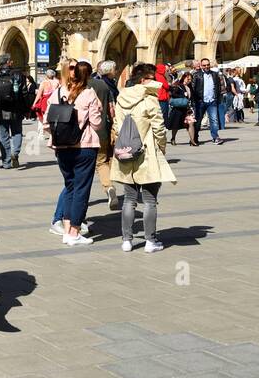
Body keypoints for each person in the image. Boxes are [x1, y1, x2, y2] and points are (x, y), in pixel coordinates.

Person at [110, 62, 177, 252]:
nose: (155, 81)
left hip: (125, 152)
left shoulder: (122, 96)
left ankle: (126, 240)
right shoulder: (149, 98)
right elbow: (159, 128)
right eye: (152, 78)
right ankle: (150, 241)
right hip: (146, 154)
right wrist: (162, 148)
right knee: (149, 200)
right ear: (143, 80)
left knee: (130, 199)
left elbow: (116, 124)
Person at [43, 61, 101, 246]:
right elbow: (97, 123)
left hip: (61, 148)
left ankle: (67, 229)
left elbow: (46, 123)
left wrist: (60, 133)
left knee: (70, 186)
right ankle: (74, 232)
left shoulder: (57, 93)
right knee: (81, 189)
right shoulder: (89, 93)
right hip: (84, 146)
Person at [0, 54, 33, 168]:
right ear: (8, 62)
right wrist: (27, 109)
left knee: (3, 135)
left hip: (1, 109)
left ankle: (6, 161)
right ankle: (15, 153)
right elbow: (24, 93)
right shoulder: (18, 75)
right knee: (17, 132)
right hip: (16, 109)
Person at [88, 59, 118, 209]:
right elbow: (112, 110)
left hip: (82, 135)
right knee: (102, 162)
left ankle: (80, 196)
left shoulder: (77, 87)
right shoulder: (104, 86)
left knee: (83, 167)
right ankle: (109, 187)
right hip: (102, 131)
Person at [191, 57, 224, 143]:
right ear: (201, 66)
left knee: (214, 120)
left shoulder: (214, 74)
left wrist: (217, 98)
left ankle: (215, 137)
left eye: (208, 65)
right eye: (204, 65)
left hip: (212, 101)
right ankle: (195, 137)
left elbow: (218, 87)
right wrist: (194, 101)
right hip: (200, 101)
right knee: (198, 121)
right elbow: (193, 89)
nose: (206, 67)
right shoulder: (196, 75)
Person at [168, 71, 197, 146]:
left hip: (188, 109)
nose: (189, 81)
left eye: (190, 79)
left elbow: (192, 97)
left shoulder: (190, 87)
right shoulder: (179, 86)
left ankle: (192, 141)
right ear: (183, 78)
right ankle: (173, 138)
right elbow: (173, 94)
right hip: (179, 108)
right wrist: (182, 95)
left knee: (191, 123)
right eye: (188, 79)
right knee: (176, 125)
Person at [155, 62, 171, 128]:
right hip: (162, 97)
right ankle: (165, 125)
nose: (165, 70)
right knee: (163, 112)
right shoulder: (160, 76)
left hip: (160, 96)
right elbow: (166, 86)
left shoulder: (156, 75)